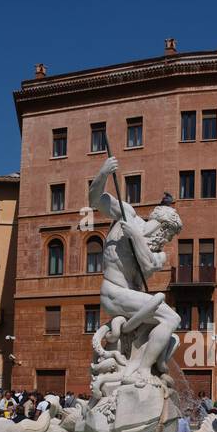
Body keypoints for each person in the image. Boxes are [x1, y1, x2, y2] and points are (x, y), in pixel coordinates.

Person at [88, 156, 184, 378]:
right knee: (172, 318)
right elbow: (95, 200)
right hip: (114, 292)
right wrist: (103, 173)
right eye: (167, 234)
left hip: (130, 300)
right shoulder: (127, 215)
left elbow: (147, 263)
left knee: (173, 335)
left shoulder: (158, 255)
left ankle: (155, 364)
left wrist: (136, 238)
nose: (166, 240)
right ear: (162, 226)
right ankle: (142, 370)